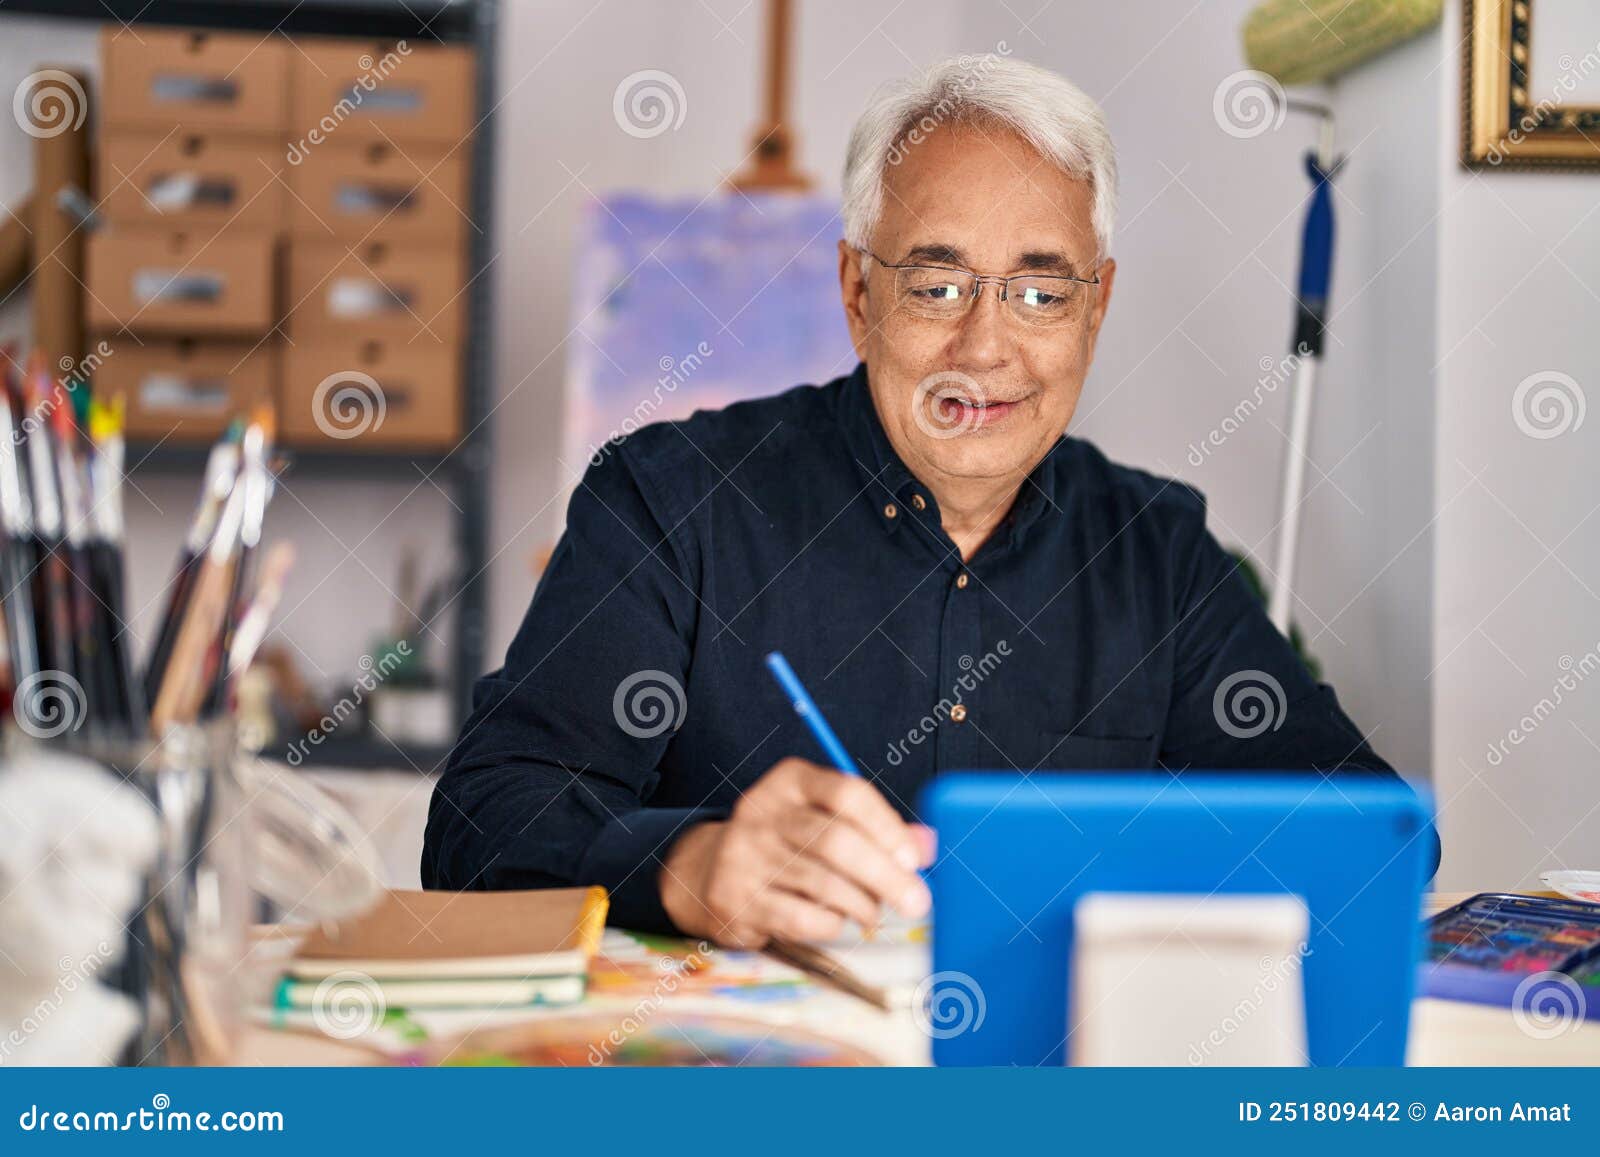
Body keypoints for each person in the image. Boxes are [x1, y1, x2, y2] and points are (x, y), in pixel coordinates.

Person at [424, 56, 1432, 947]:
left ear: (1097, 305)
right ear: (858, 294)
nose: (985, 347)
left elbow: (1372, 826)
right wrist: (690, 865)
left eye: (1041, 292)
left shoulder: (1151, 549)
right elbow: (482, 819)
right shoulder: (672, 499)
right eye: (936, 284)